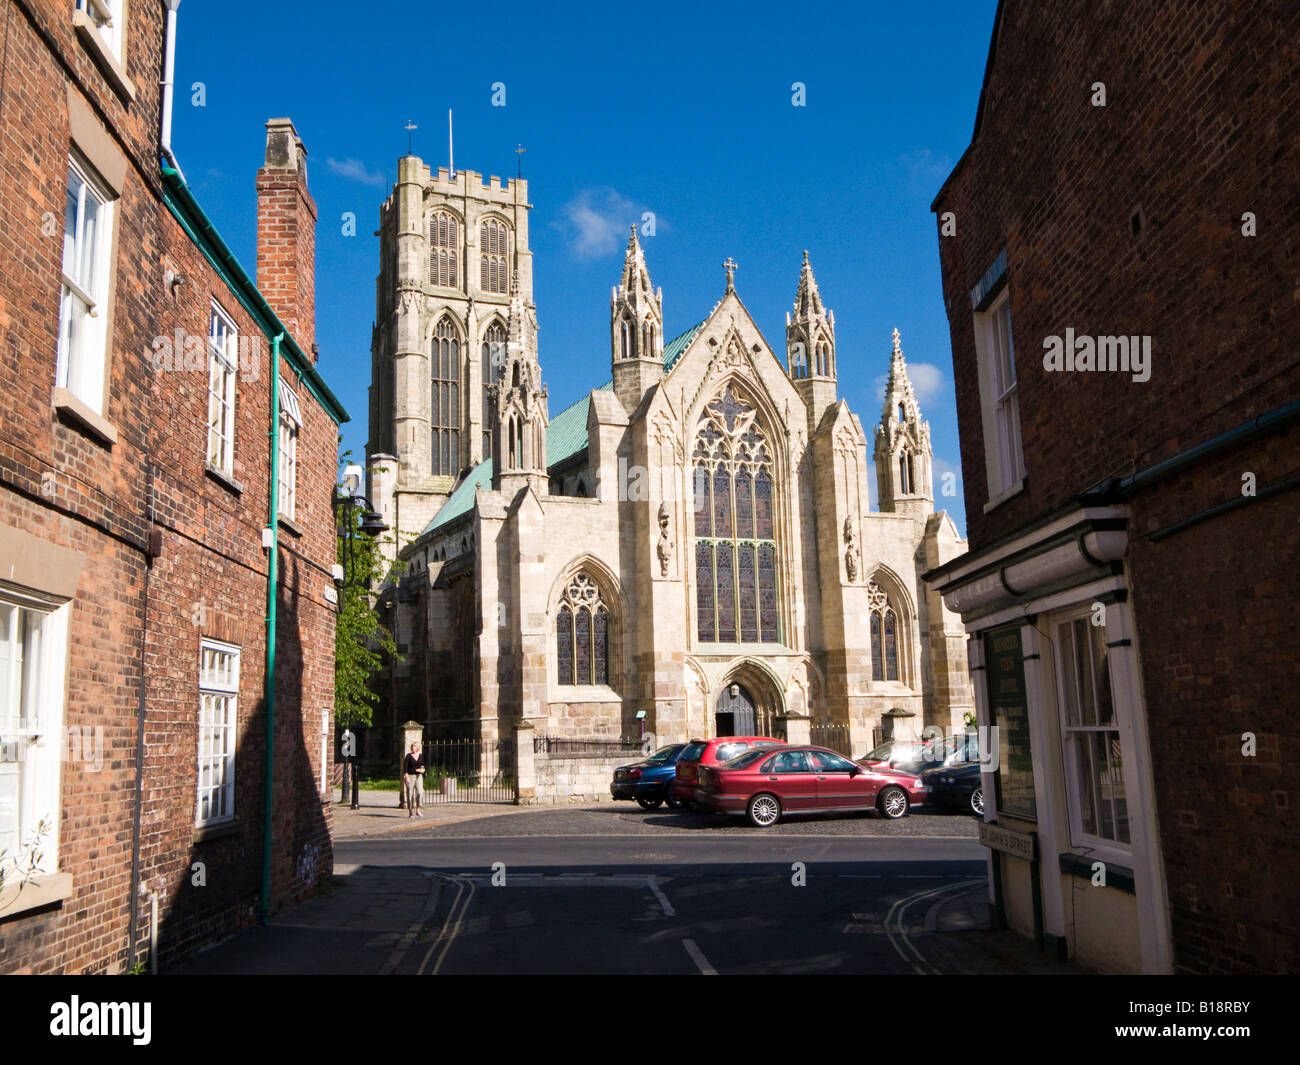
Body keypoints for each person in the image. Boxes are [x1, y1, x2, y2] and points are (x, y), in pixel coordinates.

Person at [403, 743, 425, 817]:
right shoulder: (408, 756)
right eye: (412, 746)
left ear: (417, 747)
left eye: (414, 746)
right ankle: (410, 811)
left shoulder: (420, 755)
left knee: (420, 792)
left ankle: (418, 809)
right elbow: (405, 767)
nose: (413, 747)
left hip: (418, 776)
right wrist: (406, 776)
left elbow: (422, 765)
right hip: (410, 776)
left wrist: (422, 769)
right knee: (410, 794)